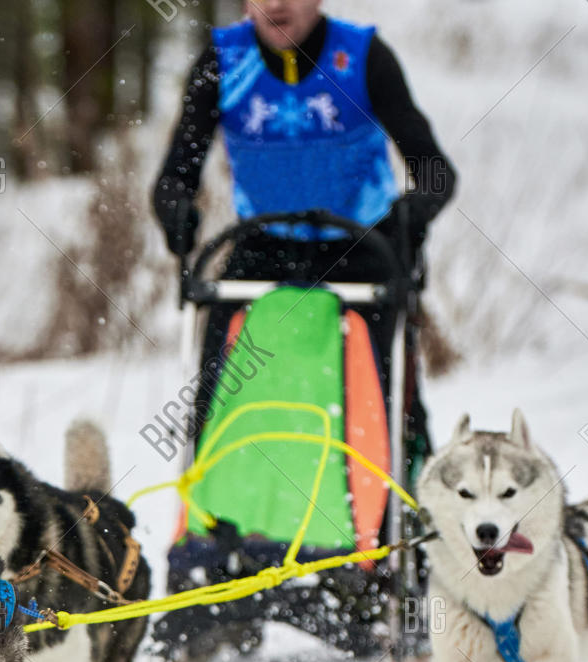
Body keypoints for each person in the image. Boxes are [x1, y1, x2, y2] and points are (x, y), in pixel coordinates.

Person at [153, 0, 457, 444]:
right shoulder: (222, 63)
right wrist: (174, 206)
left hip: (361, 248)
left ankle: (402, 493)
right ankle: (213, 492)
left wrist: (411, 214)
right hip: (262, 248)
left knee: (389, 399)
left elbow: (434, 170)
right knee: (217, 388)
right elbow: (176, 174)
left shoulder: (363, 58)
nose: (275, 4)